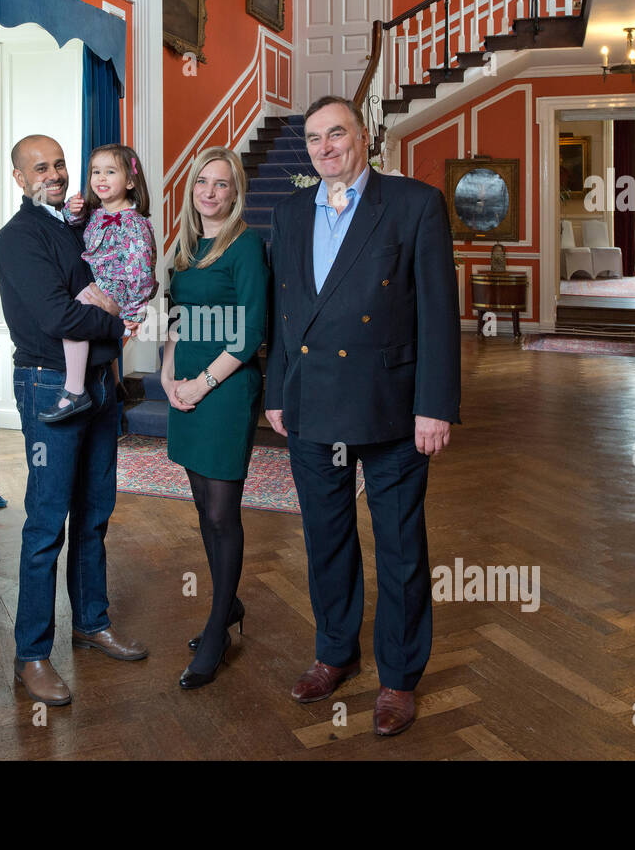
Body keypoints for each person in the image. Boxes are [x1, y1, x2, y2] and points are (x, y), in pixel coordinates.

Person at [265, 95, 460, 737]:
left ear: (364, 136)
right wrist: (275, 391)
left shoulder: (412, 204)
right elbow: (282, 315)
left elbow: (437, 315)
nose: (325, 147)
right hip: (311, 404)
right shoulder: (290, 212)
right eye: (314, 138)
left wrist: (434, 406)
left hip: (392, 409)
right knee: (326, 539)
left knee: (400, 548)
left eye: (336, 134)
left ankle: (399, 677)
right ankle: (335, 653)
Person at [0, 134, 148, 707]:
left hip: (100, 385)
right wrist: (121, 323)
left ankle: (92, 622)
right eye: (41, 167)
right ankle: (31, 655)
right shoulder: (18, 239)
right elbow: (60, 314)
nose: (54, 174)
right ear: (19, 178)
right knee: (45, 526)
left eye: (59, 164)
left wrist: (110, 313)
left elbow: (107, 286)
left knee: (95, 514)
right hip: (48, 387)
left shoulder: (73, 224)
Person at [161, 147, 269, 690]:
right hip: (185, 388)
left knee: (223, 511)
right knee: (204, 505)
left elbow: (249, 334)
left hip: (225, 390)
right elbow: (177, 320)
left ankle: (216, 625)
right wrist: (165, 377)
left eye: (221, 184)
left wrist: (201, 385)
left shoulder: (246, 246)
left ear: (235, 192)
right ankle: (227, 605)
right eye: (201, 181)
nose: (209, 192)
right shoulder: (183, 249)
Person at [42, 144, 157, 423]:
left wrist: (132, 312)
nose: (101, 178)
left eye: (110, 172)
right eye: (96, 172)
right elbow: (75, 222)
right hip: (98, 281)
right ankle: (115, 381)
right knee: (92, 326)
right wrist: (73, 209)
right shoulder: (96, 213)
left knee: (76, 315)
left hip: (118, 289)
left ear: (130, 181)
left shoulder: (134, 223)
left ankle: (74, 389)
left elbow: (142, 271)